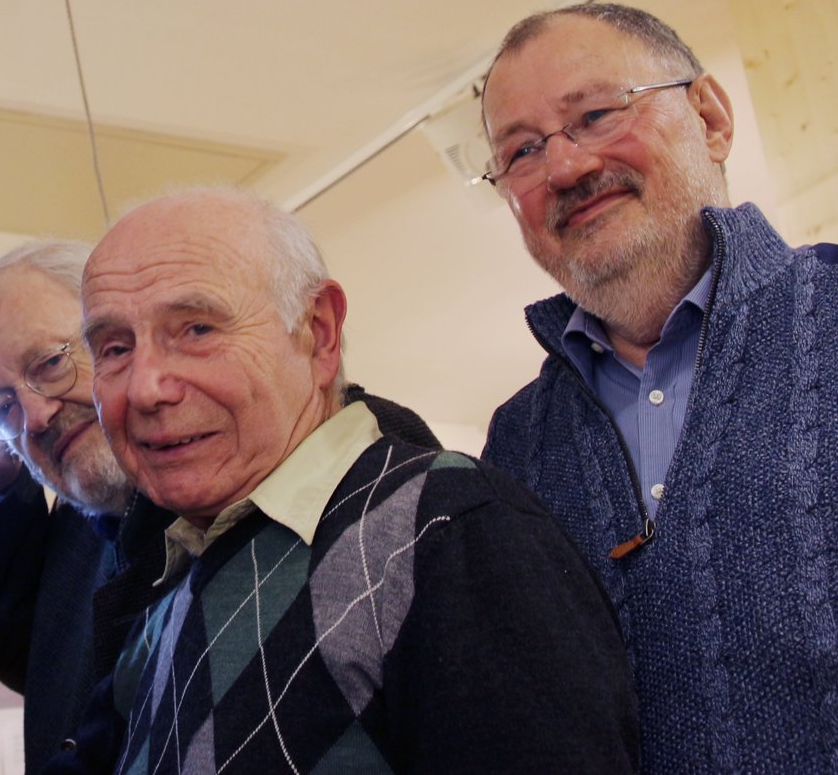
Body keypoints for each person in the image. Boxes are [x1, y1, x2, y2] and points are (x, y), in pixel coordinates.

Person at [477, 2, 838, 772]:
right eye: (523, 151)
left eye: (596, 114)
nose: (564, 167)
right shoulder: (513, 454)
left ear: (709, 116)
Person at [52, 187, 637, 774]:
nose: (145, 388)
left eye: (197, 329)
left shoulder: (452, 530)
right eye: (114, 348)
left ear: (319, 331)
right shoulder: (173, 577)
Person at [0, 239, 441, 771]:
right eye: (2, 408)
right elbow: (46, 666)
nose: (35, 415)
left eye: (48, 364)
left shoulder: (360, 474)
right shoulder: (85, 518)